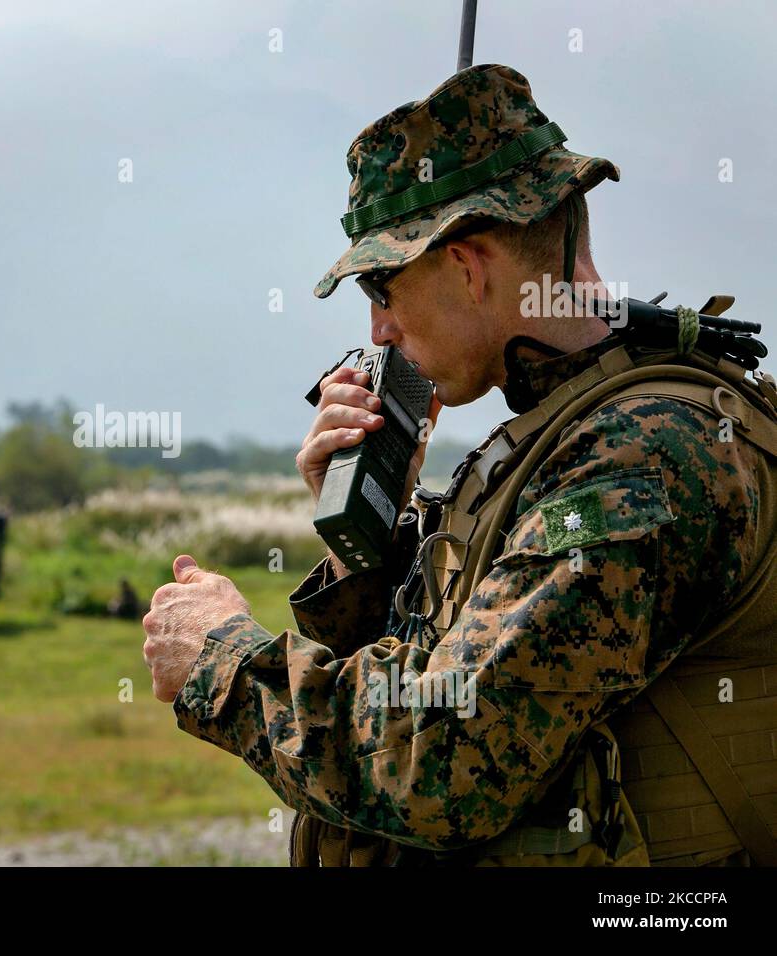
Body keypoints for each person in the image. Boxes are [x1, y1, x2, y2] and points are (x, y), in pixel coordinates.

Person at [142, 64, 777, 866]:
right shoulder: (560, 430)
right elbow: (442, 660)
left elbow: (439, 762)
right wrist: (363, 539)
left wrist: (224, 663)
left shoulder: (639, 461)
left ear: (468, 266)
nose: (377, 331)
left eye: (382, 288)